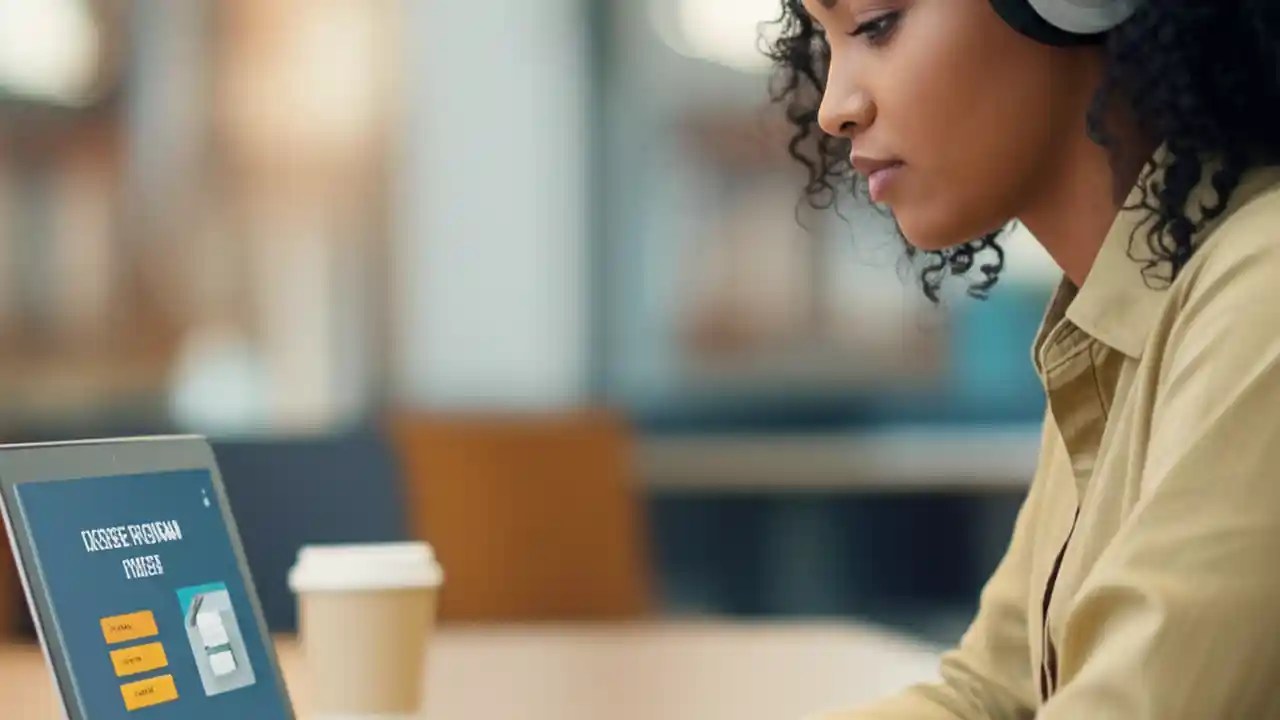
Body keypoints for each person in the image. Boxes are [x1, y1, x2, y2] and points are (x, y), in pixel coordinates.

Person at [767, 1, 1280, 718]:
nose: (834, 110)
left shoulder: (1263, 296)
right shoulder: (1111, 330)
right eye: (829, 43)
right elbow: (988, 693)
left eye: (878, 23)